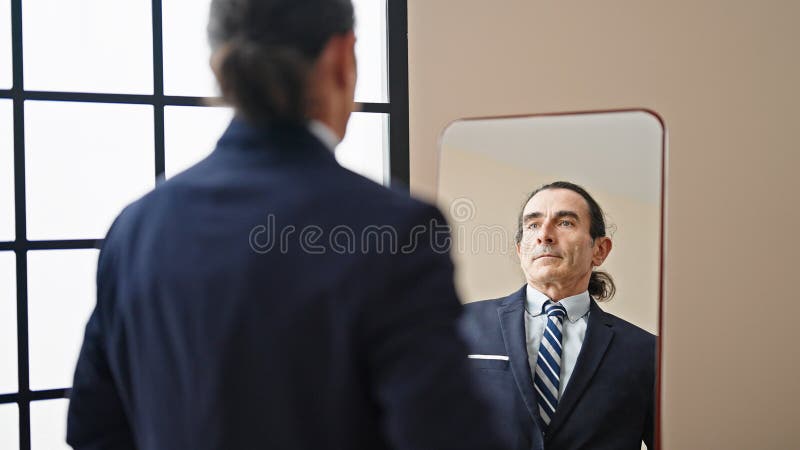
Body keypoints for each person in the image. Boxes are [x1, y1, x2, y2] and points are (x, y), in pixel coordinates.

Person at [66, 1, 509, 449]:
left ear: (221, 66)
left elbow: (94, 430)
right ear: (342, 58)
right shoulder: (396, 231)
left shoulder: (137, 229)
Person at [460, 181, 655, 450]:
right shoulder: (460, 324)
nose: (545, 235)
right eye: (533, 225)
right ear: (520, 250)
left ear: (599, 250)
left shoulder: (647, 352)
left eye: (565, 223)